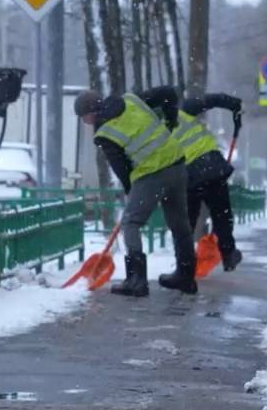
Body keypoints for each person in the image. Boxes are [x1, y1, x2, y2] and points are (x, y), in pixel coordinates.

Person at [74, 87, 198, 297]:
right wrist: (170, 119)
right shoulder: (132, 99)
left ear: (89, 114)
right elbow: (168, 92)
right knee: (179, 223)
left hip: (152, 172)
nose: (85, 122)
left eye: (83, 118)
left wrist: (131, 191)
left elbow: (122, 168)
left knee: (130, 223)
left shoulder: (104, 132)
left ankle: (137, 281)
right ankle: (186, 277)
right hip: (176, 163)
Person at [173, 92, 244, 272]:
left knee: (188, 220)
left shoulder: (156, 133)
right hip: (211, 166)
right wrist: (234, 105)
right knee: (221, 213)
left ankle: (184, 264)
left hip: (189, 175)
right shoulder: (184, 111)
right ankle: (228, 254)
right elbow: (211, 100)